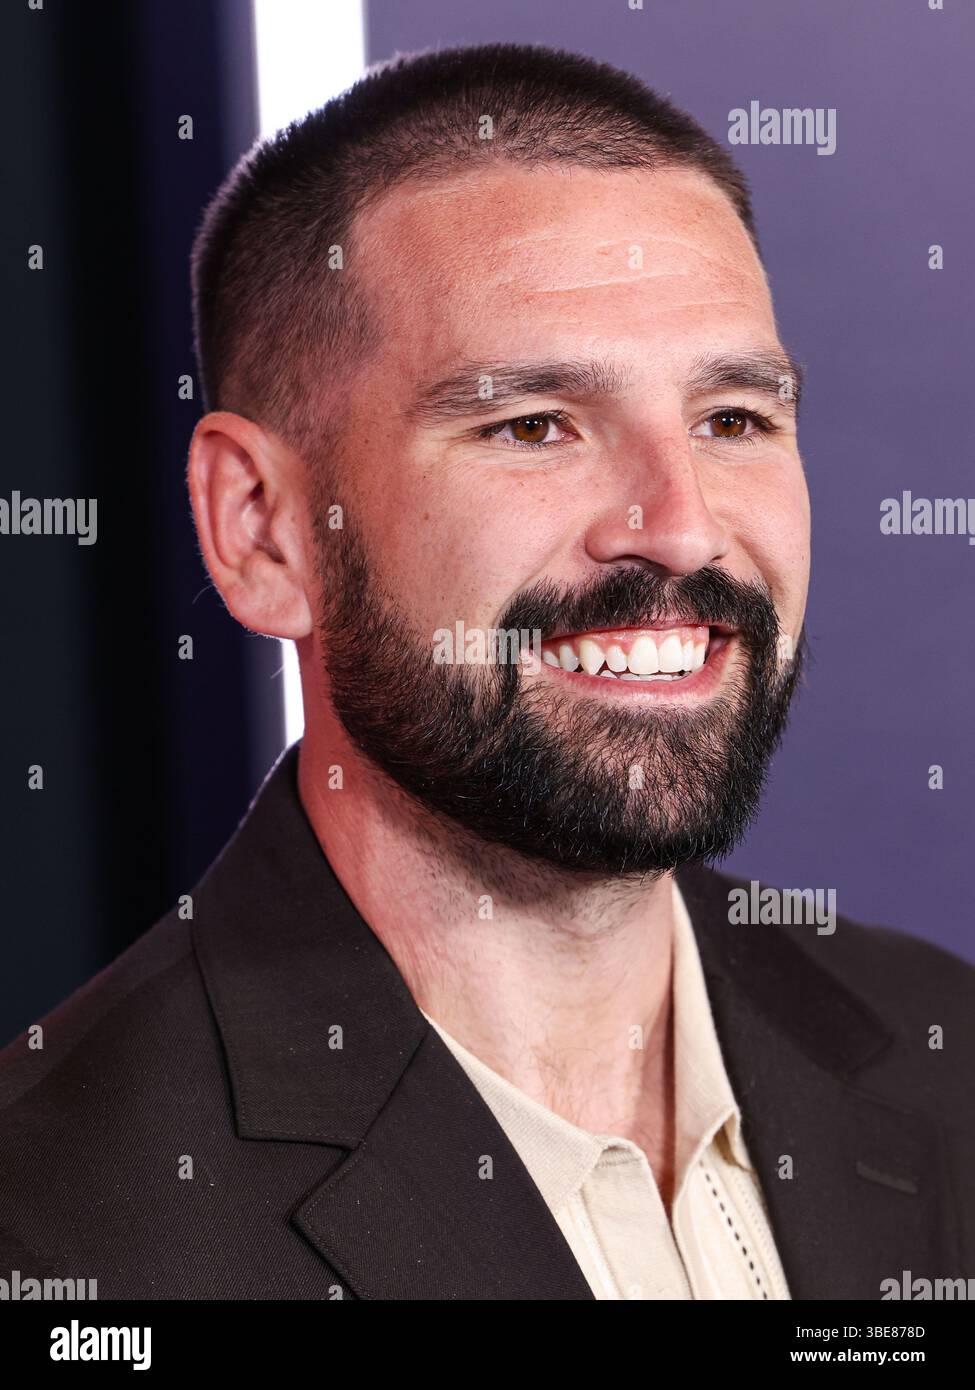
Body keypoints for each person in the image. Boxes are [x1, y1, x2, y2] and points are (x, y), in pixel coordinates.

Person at [1, 42, 972, 1301]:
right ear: (262, 528)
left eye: (732, 418)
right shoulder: (58, 1237)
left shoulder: (946, 1054)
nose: (678, 525)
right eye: (533, 424)